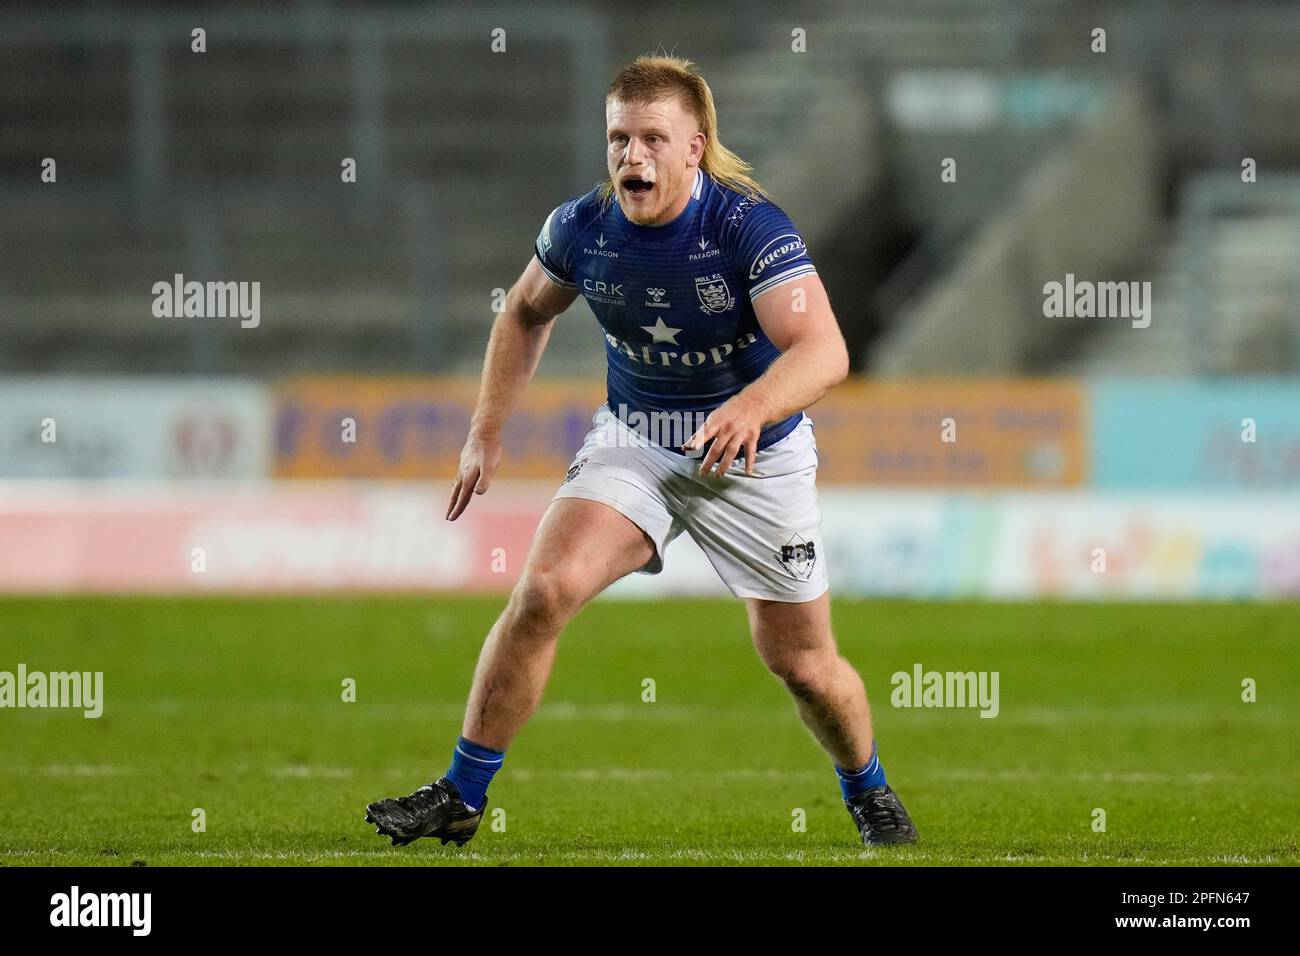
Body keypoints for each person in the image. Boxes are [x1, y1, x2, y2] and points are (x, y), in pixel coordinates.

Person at [366, 54, 917, 850]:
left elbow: (825, 351)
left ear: (695, 148)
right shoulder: (582, 228)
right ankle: (462, 792)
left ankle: (868, 789)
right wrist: (485, 431)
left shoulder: (747, 228)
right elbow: (523, 311)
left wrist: (751, 405)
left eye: (654, 139)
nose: (633, 156)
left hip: (757, 459)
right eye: (619, 138)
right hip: (639, 443)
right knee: (545, 591)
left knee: (800, 664)